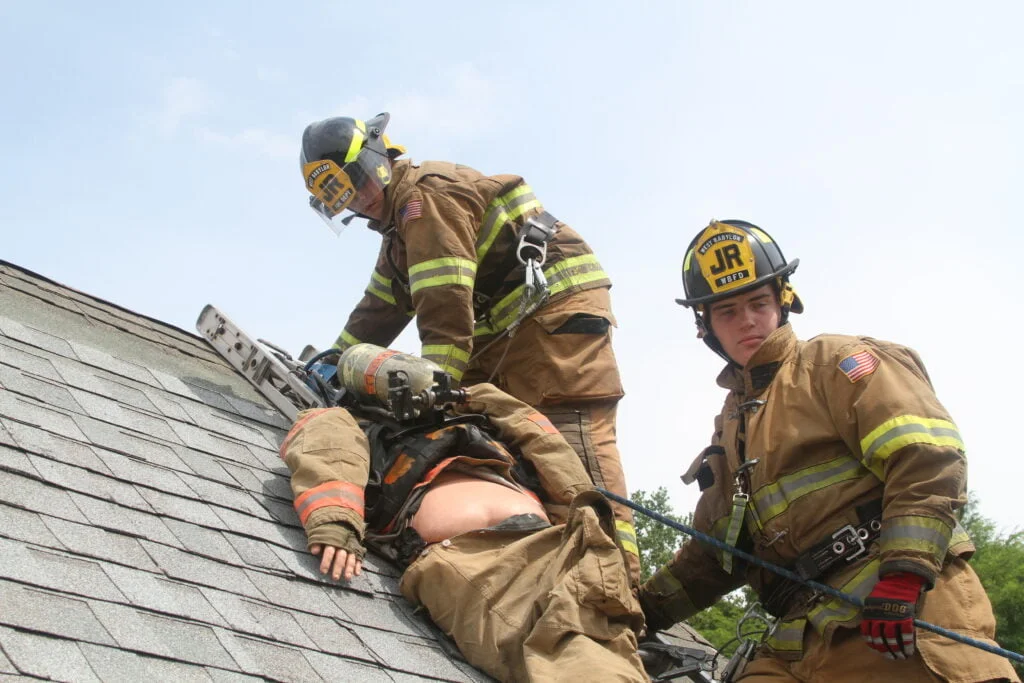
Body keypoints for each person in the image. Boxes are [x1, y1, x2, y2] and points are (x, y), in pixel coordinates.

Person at [636, 220, 1019, 682]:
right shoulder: (730, 429)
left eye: (759, 303)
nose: (747, 320)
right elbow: (713, 557)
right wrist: (633, 613)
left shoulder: (835, 363)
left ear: (783, 300)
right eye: (728, 311)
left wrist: (904, 574)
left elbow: (925, 458)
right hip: (798, 638)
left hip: (893, 612)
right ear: (706, 326)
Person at [298, 112, 639, 582]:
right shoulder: (400, 231)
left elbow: (445, 315)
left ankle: (621, 581)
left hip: (555, 319)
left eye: (356, 182)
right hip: (507, 328)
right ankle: (559, 569)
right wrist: (330, 364)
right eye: (342, 197)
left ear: (378, 158)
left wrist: (427, 398)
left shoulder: (425, 200)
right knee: (493, 433)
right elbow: (378, 309)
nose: (358, 199)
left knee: (570, 442)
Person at [280, 375, 648, 682]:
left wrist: (474, 396)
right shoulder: (355, 425)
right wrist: (336, 520)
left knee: (603, 647)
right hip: (483, 567)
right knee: (573, 653)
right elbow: (326, 440)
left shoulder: (478, 425)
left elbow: (547, 444)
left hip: (564, 550)